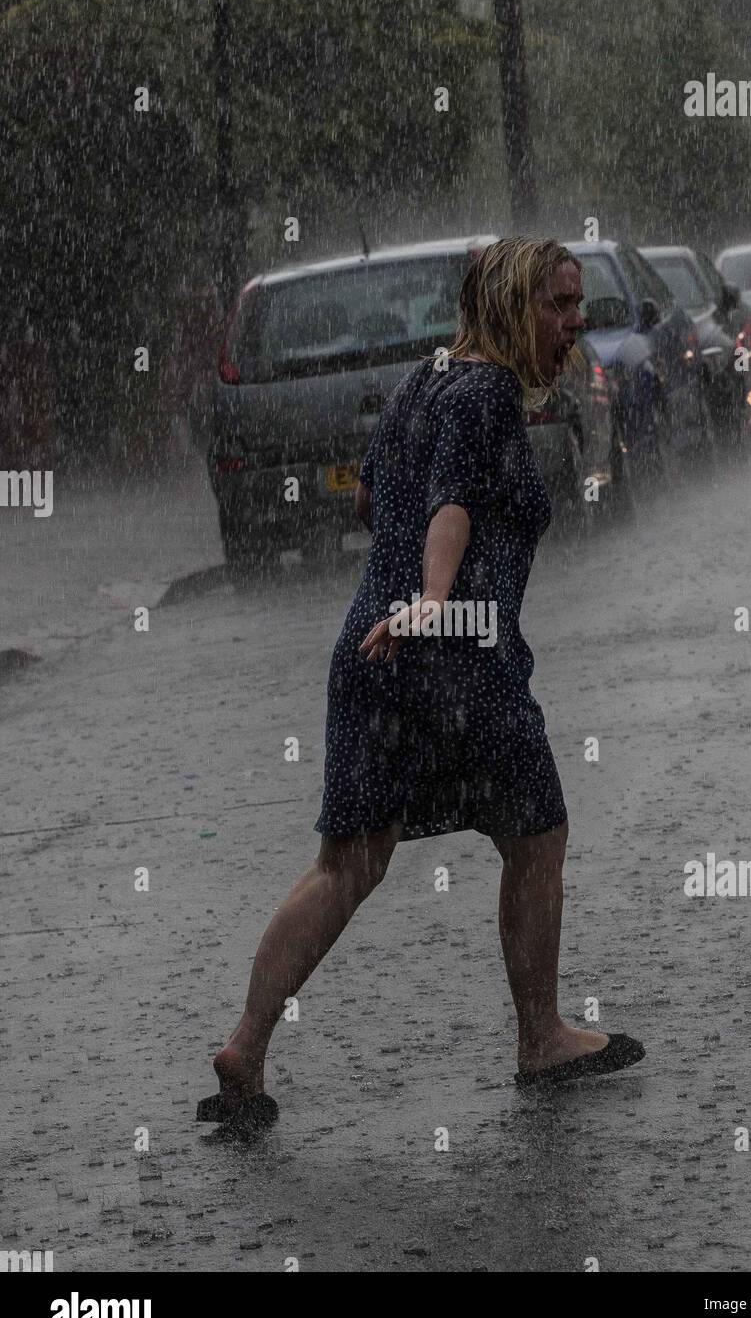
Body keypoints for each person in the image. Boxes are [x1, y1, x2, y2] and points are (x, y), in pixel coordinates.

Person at [198, 236, 645, 1141]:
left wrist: (405, 597)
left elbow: (375, 501)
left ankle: (246, 1046)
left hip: (371, 652)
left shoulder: (422, 380)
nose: (572, 325)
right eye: (559, 305)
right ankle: (541, 1038)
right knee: (538, 835)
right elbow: (450, 505)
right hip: (456, 654)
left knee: (346, 864)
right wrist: (436, 598)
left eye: (579, 308)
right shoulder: (482, 393)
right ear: (515, 303)